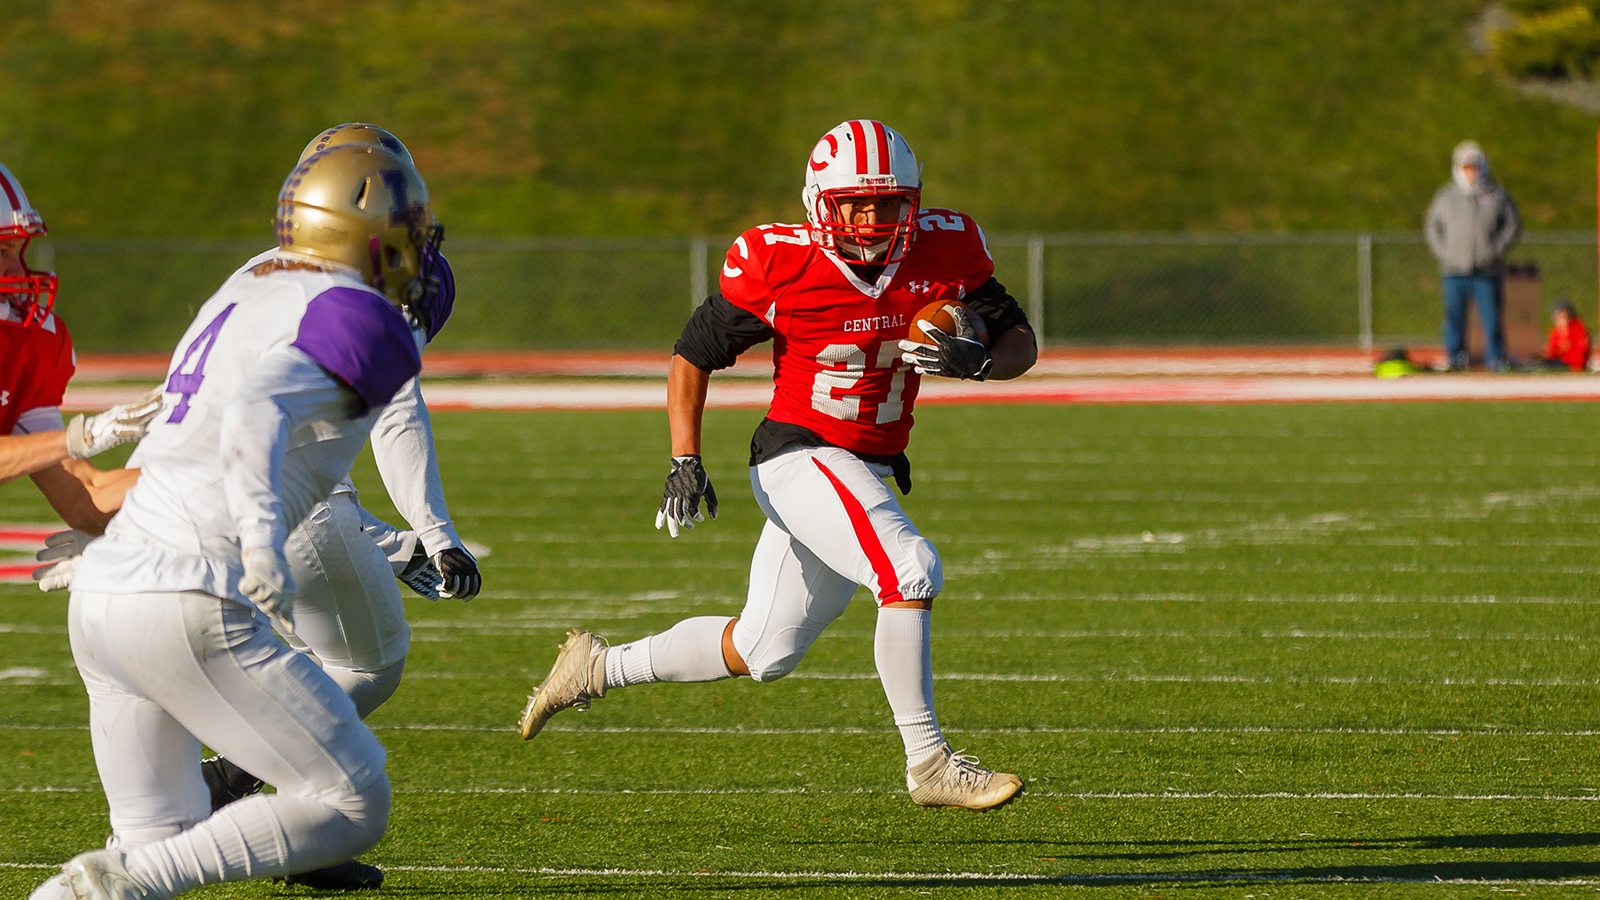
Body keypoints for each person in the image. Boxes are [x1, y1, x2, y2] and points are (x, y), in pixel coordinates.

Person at [517, 119, 1037, 811]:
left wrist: (982, 363)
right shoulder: (782, 262)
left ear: (913, 202)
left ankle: (595, 667)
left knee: (763, 650)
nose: (872, 217)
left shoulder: (946, 248)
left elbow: (1020, 340)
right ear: (821, 201)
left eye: (887, 203)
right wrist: (684, 456)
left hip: (869, 465)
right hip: (799, 455)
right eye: (855, 202)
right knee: (908, 568)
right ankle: (929, 763)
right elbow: (691, 353)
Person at [28, 141, 451, 900]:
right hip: (187, 591)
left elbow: (191, 435)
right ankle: (108, 883)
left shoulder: (248, 282)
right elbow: (257, 412)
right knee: (353, 797)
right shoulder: (364, 315)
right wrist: (263, 547)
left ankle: (110, 881)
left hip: (108, 591)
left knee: (157, 842)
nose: (418, 242)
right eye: (408, 224)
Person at [0, 162, 161, 526]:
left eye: (15, 251)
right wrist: (81, 436)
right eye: (1, 252)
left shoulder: (29, 345)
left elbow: (87, 496)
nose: (19, 272)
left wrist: (216, 479)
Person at [1425, 140, 1521, 371]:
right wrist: (1445, 253)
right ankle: (1456, 357)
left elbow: (1512, 224)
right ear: (1458, 169)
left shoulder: (1495, 194)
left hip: (1486, 271)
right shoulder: (1446, 196)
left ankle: (1496, 358)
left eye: (1475, 167)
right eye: (1466, 167)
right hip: (1454, 270)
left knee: (1491, 319)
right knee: (1454, 319)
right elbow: (1432, 226)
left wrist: (1495, 250)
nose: (1471, 172)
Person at [1538, 300, 1590, 371]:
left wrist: (1577, 366)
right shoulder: (1555, 332)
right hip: (1561, 361)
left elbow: (1581, 350)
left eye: (1564, 316)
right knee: (1540, 363)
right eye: (1558, 317)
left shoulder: (1578, 329)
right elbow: (1552, 352)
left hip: (1572, 363)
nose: (1562, 320)